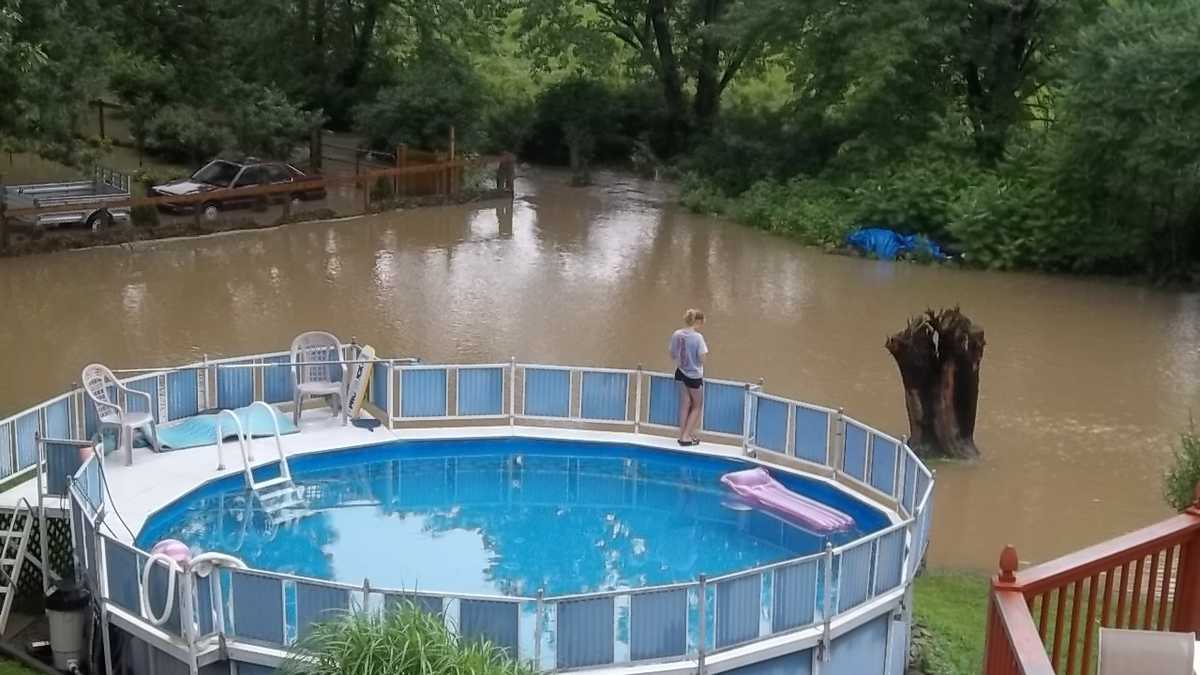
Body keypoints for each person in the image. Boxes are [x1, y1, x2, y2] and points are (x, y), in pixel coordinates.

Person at [669, 309, 708, 445]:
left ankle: (682, 434)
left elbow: (672, 354)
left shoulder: (676, 334)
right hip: (693, 375)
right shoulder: (698, 338)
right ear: (698, 321)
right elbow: (702, 358)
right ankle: (686, 437)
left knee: (685, 404)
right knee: (697, 406)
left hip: (680, 372)